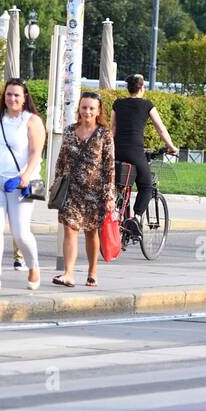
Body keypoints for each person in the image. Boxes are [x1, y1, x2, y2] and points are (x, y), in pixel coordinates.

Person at [0, 78, 44, 290]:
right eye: (9, 94)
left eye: (17, 95)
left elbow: (36, 152)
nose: (12, 98)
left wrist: (25, 176)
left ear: (25, 97)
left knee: (20, 232)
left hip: (18, 183)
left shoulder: (31, 120)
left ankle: (34, 266)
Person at [51, 91, 115, 288]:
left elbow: (109, 165)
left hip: (94, 192)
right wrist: (56, 184)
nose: (87, 111)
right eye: (84, 107)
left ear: (98, 111)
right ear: (79, 108)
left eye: (91, 108)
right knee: (69, 229)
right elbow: (61, 160)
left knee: (90, 232)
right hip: (70, 190)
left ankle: (92, 271)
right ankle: (68, 273)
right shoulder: (70, 131)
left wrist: (109, 195)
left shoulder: (104, 134)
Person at [112, 74, 177, 231]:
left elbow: (112, 129)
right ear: (142, 88)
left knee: (118, 183)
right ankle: (136, 218)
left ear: (128, 88)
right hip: (135, 152)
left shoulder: (117, 104)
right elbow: (161, 129)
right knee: (146, 186)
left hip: (117, 151)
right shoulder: (147, 105)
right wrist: (172, 147)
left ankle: (117, 209)